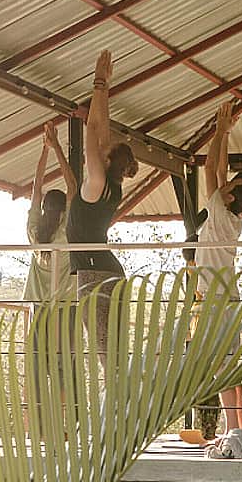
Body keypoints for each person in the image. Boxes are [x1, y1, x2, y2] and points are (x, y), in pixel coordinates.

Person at [66, 49, 139, 373]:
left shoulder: (96, 183)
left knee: (105, 349)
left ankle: (122, 412)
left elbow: (93, 130)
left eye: (105, 151)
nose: (102, 147)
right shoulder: (106, 183)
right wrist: (102, 86)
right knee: (110, 348)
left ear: (107, 161)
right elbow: (100, 128)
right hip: (103, 269)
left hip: (96, 273)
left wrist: (97, 87)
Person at [196, 100, 242, 434]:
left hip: (217, 299)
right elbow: (220, 172)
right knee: (229, 366)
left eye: (230, 186)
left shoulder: (219, 212)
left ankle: (233, 428)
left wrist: (218, 132)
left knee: (221, 367)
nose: (224, 184)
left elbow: (209, 170)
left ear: (231, 197)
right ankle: (238, 427)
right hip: (227, 296)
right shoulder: (229, 217)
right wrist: (227, 135)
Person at [24, 121, 79, 392]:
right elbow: (73, 186)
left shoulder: (35, 231)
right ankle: (66, 417)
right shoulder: (66, 230)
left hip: (39, 305)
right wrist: (56, 146)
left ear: (45, 208)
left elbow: (36, 190)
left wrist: (43, 151)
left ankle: (40, 419)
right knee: (64, 361)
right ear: (62, 209)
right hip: (66, 303)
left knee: (37, 360)